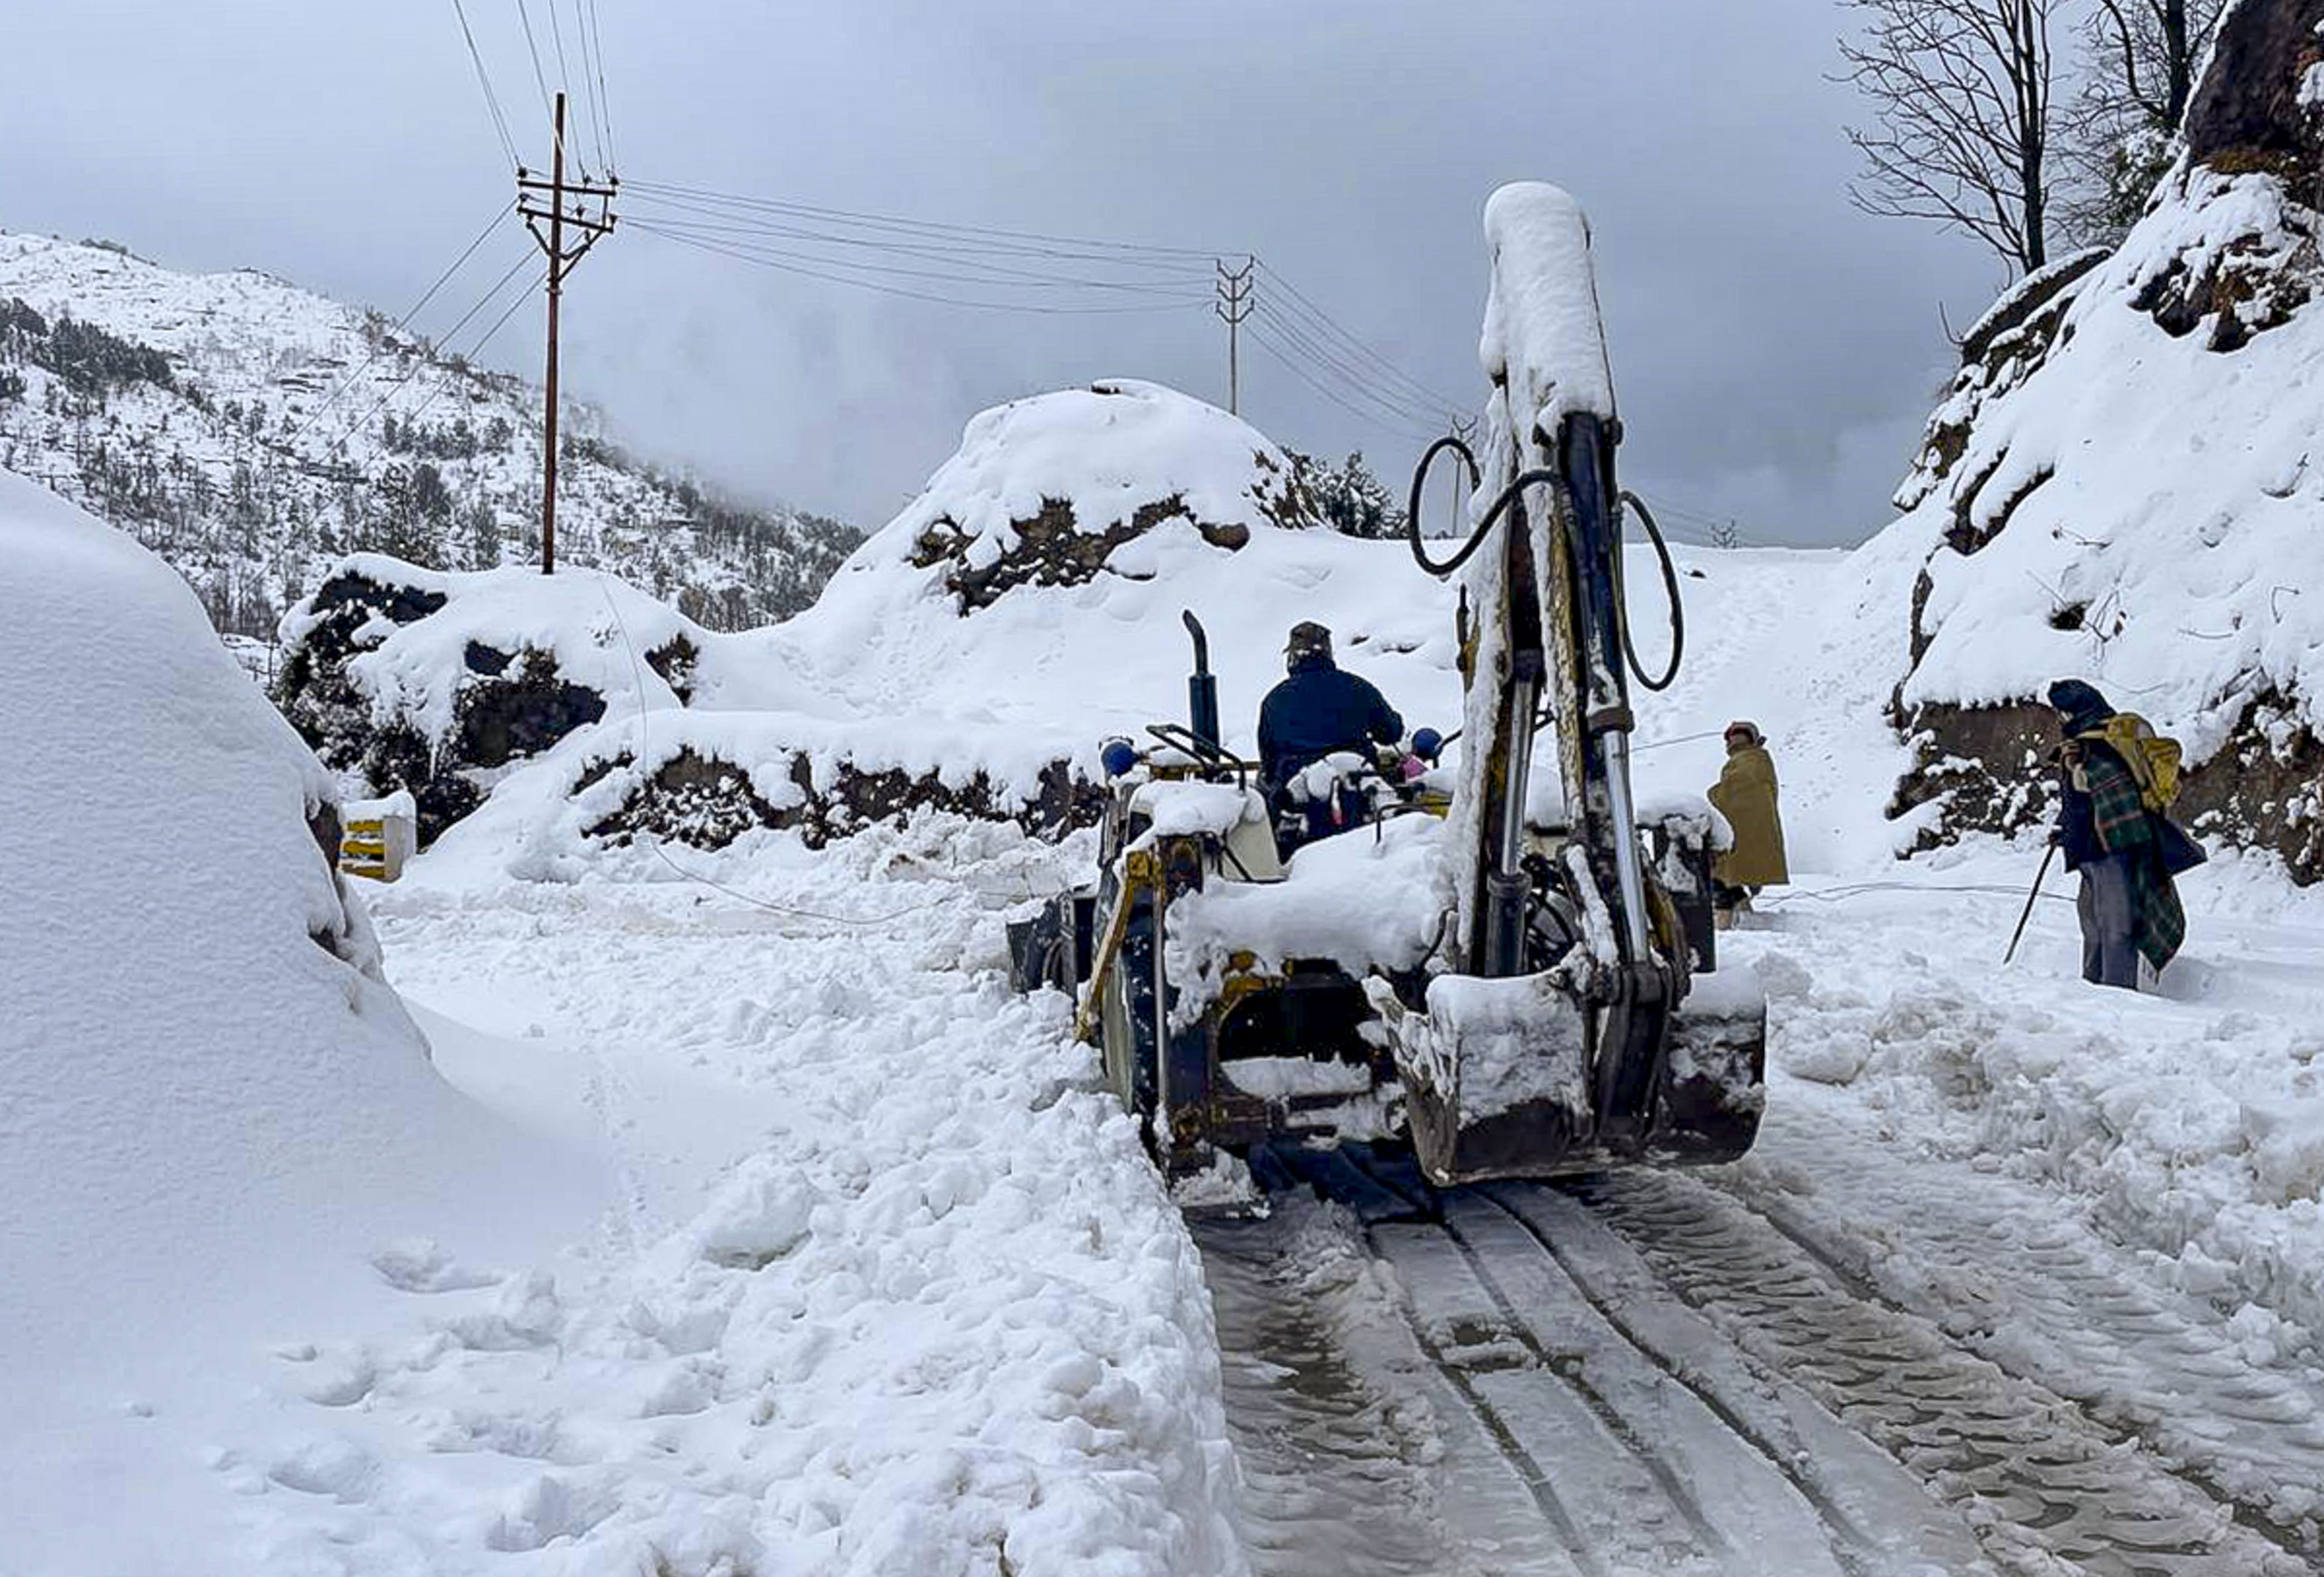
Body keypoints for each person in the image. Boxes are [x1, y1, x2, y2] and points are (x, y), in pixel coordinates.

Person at [2047, 678, 2204, 991]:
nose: (2060, 720)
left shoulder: (2101, 746)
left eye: (2062, 713)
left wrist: (2079, 776)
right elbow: (2088, 804)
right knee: (2093, 921)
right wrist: (2066, 826)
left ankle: (2116, 992)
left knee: (2116, 924)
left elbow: (2110, 797)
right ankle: (2091, 987)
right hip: (2097, 849)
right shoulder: (2085, 745)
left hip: (2113, 848)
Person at [1256, 621, 1404, 850]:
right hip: (1360, 798)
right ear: (1328, 653)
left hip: (1299, 807)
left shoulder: (1275, 700)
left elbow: (1269, 760)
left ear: (1294, 656)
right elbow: (1391, 733)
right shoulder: (1358, 688)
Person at [1705, 720, 1788, 926]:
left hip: (1742, 833)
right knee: (1726, 873)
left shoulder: (1750, 760)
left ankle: (1723, 921)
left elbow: (1732, 791)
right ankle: (1744, 912)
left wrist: (1712, 794)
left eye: (1737, 735)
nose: (1734, 740)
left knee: (1718, 872)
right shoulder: (1758, 759)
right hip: (1751, 831)